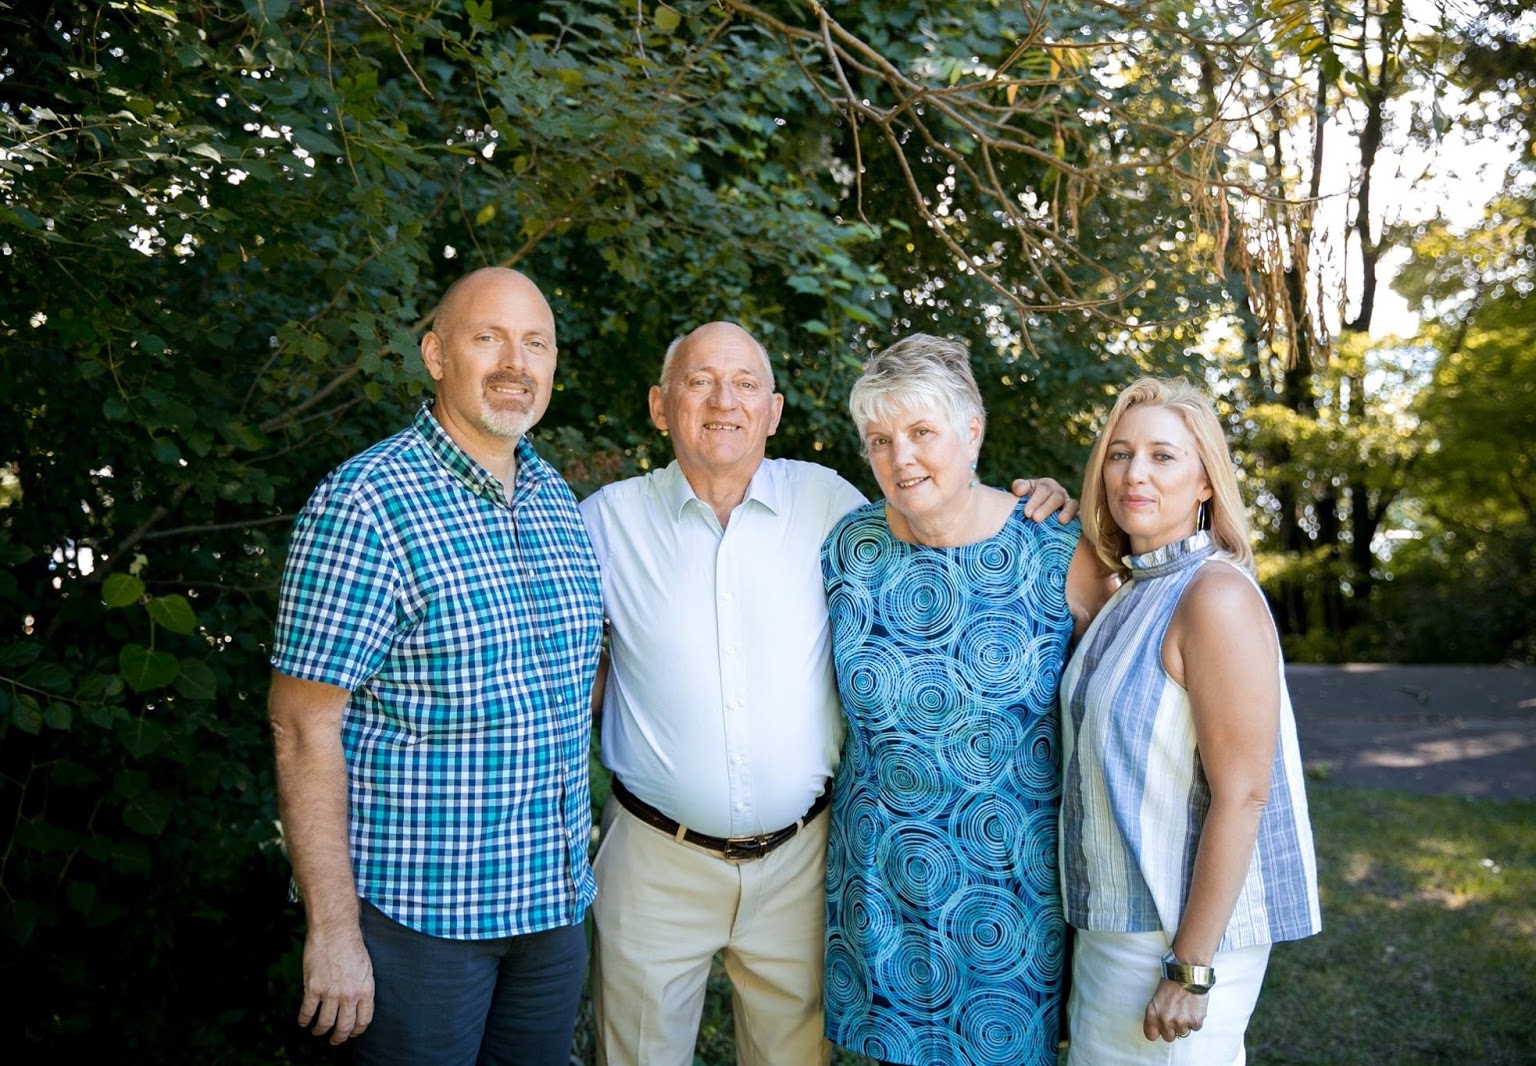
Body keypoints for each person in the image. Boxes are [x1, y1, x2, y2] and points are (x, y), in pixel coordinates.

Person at [579, 321, 1074, 1065]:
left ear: (774, 413)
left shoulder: (829, 506)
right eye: (700, 381)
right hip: (656, 857)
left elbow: (947, 514)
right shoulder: (602, 524)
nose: (725, 401)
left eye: (746, 383)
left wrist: (1040, 497)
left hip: (801, 862)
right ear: (659, 405)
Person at [267, 267, 604, 1064]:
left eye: (535, 343)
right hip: (418, 925)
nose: (515, 362)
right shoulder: (366, 502)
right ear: (435, 355)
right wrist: (333, 929)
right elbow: (300, 724)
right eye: (488, 338)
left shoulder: (556, 500)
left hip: (550, 915)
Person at [819, 333, 1116, 1066]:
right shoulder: (847, 547)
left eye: (923, 432)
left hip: (1010, 894)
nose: (901, 458)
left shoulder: (1057, 549)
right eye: (880, 440)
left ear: (973, 431)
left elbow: (1118, 706)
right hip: (879, 886)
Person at [1057, 376, 1322, 1064]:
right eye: (1118, 454)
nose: (1133, 473)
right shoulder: (1135, 591)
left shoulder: (1214, 594)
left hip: (1176, 940)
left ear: (1206, 481)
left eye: (1162, 456)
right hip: (1115, 929)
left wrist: (1190, 967)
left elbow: (1245, 794)